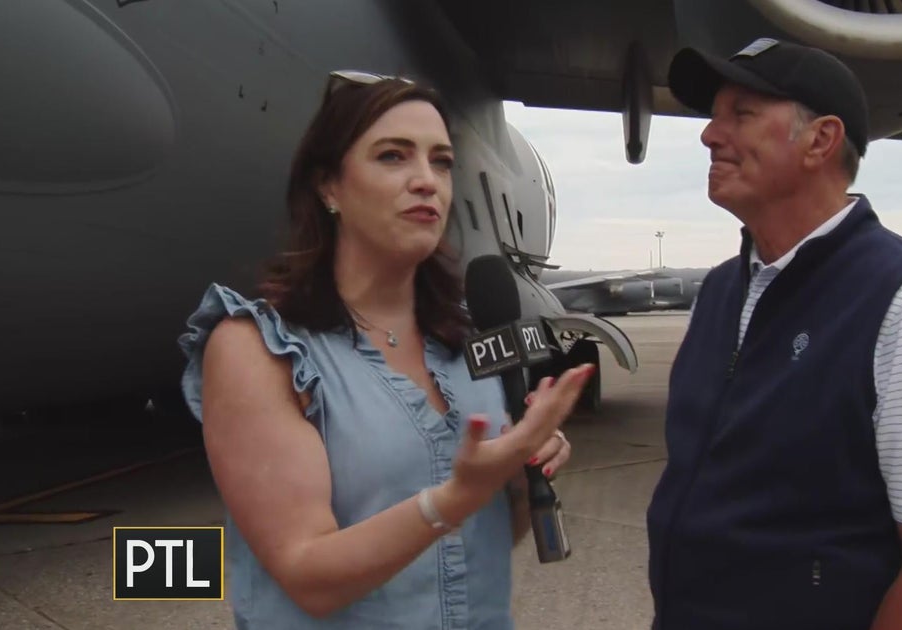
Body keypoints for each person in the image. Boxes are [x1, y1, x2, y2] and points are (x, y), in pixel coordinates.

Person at [177, 70, 594, 629]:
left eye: (441, 161)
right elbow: (307, 576)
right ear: (329, 186)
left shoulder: (463, 345)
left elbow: (488, 538)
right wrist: (452, 496)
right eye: (393, 156)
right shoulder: (258, 349)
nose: (427, 181)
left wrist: (516, 482)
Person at [645, 38, 902, 629]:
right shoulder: (722, 292)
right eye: (714, 115)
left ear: (821, 141)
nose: (709, 134)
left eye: (742, 114)